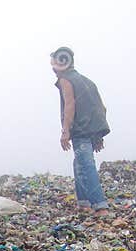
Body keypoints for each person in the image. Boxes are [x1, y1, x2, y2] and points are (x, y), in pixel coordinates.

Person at [50, 46, 110, 215]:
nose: (53, 68)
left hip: (81, 130)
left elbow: (70, 105)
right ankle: (84, 203)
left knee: (86, 165)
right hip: (91, 130)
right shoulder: (88, 82)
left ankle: (100, 206)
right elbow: (101, 108)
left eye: (54, 63)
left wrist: (65, 131)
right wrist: (98, 135)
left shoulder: (66, 79)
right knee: (79, 163)